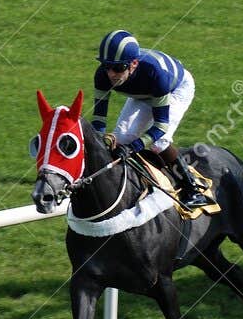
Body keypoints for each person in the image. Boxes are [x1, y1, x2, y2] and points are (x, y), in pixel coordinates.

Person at [91, 30, 212, 211]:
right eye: (106, 66)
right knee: (121, 137)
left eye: (117, 68)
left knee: (159, 142)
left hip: (175, 89)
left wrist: (135, 147)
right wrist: (99, 142)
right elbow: (99, 120)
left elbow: (160, 126)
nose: (111, 74)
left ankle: (193, 188)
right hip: (142, 93)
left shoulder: (156, 74)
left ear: (133, 64)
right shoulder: (102, 75)